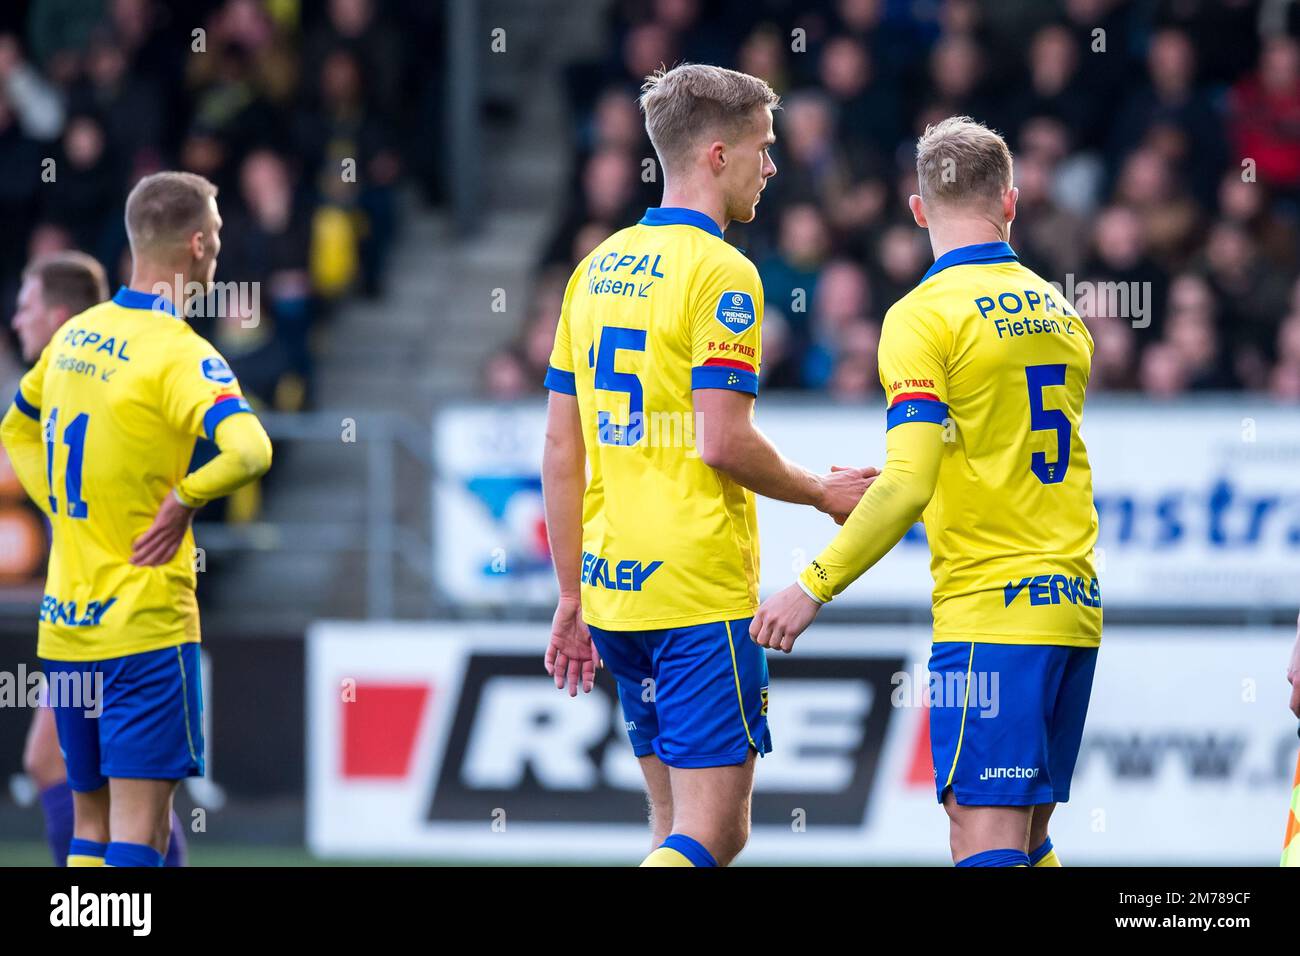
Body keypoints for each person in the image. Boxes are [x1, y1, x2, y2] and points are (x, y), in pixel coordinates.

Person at [540, 63, 873, 867]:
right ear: (718, 155)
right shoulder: (723, 272)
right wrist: (820, 491)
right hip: (694, 590)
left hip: (615, 590)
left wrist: (570, 595)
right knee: (716, 833)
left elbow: (560, 447)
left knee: (670, 826)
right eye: (763, 147)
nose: (773, 166)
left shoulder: (596, 267)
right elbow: (722, 441)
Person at [752, 117, 1102, 868]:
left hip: (991, 611)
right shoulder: (1062, 314)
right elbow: (999, 447)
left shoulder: (921, 317)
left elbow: (908, 483)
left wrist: (810, 586)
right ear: (1010, 203)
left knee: (981, 837)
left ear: (917, 209)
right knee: (1027, 839)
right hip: (1070, 609)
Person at [0, 171, 272, 867]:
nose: (218, 249)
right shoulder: (182, 354)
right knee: (139, 831)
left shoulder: (75, 337)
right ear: (198, 245)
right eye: (215, 235)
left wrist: (62, 507)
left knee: (90, 827)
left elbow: (16, 429)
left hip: (65, 628)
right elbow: (250, 450)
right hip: (143, 628)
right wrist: (185, 499)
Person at [12, 250, 188, 867]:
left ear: (59, 315)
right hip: (90, 608)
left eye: (26, 306)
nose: (16, 320)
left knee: (115, 794)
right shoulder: (64, 384)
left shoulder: (87, 378)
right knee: (122, 797)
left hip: (116, 613)